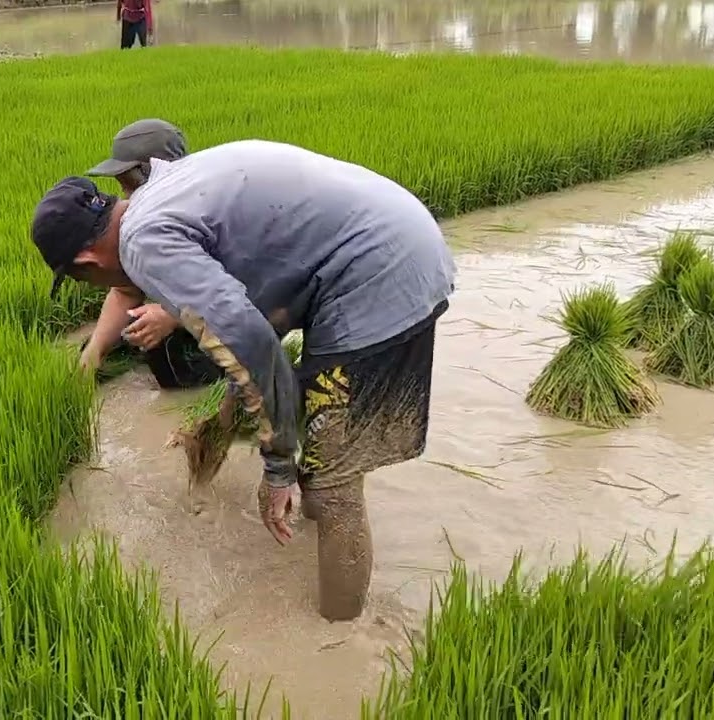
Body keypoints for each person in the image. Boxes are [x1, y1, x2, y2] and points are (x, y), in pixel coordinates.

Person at [28, 139, 457, 622]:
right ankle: (318, 539)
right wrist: (228, 424)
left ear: (87, 264)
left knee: (337, 481)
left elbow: (251, 344)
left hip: (379, 273)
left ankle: (338, 645)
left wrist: (276, 471)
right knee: (321, 446)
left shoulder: (145, 244)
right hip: (388, 242)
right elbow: (251, 325)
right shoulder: (159, 196)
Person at [78, 118, 221, 390]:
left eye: (130, 185)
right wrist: (94, 352)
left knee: (174, 364)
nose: (127, 199)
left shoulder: (210, 213)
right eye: (123, 188)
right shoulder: (140, 222)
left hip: (236, 315)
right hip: (188, 309)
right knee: (102, 343)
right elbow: (125, 291)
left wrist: (171, 316)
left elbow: (249, 293)